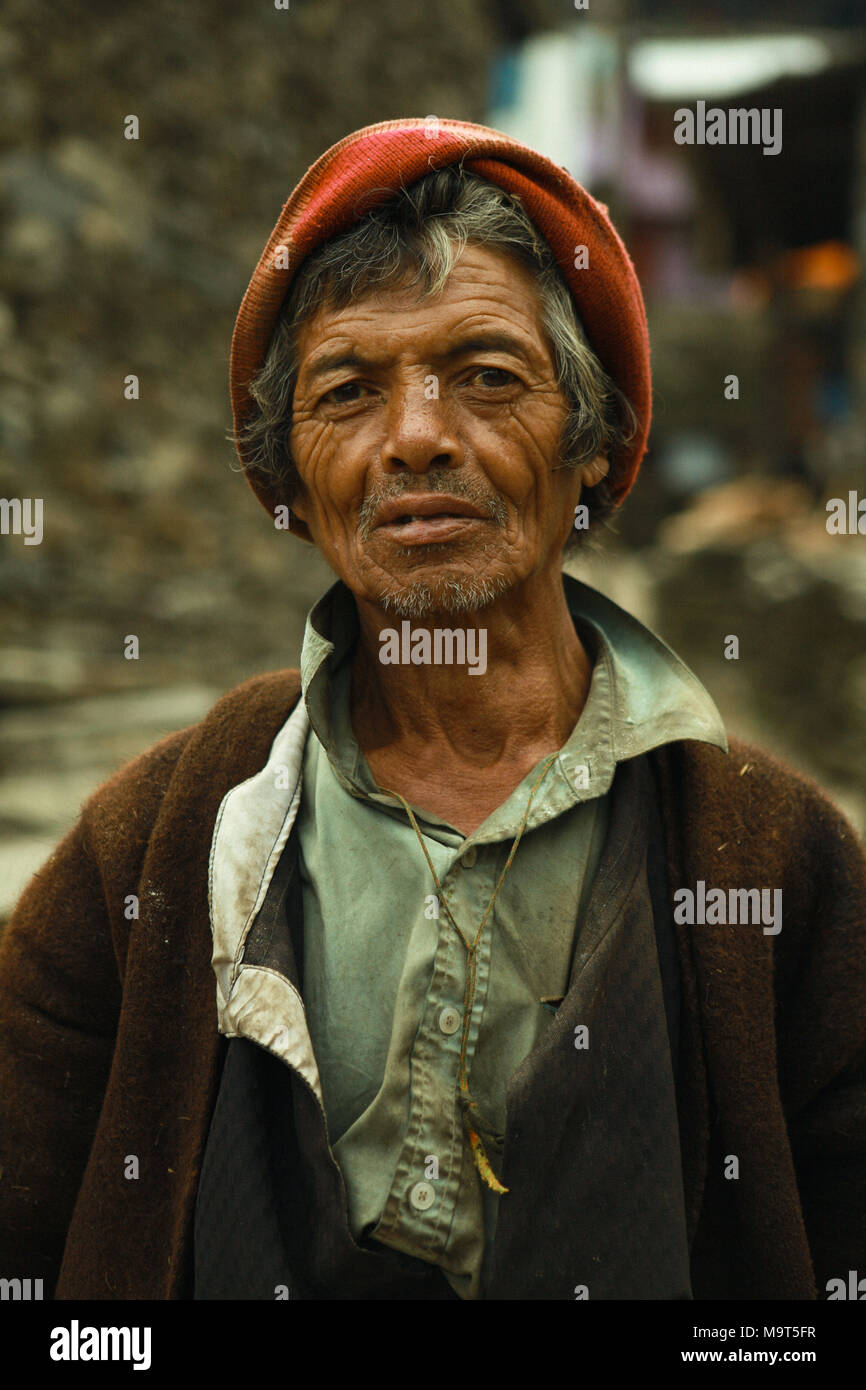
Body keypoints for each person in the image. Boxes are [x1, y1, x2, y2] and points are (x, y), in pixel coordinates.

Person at [1, 118, 864, 1302]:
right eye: (347, 392)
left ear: (594, 443)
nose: (413, 438)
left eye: (487, 378)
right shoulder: (157, 835)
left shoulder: (778, 854)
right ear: (291, 477)